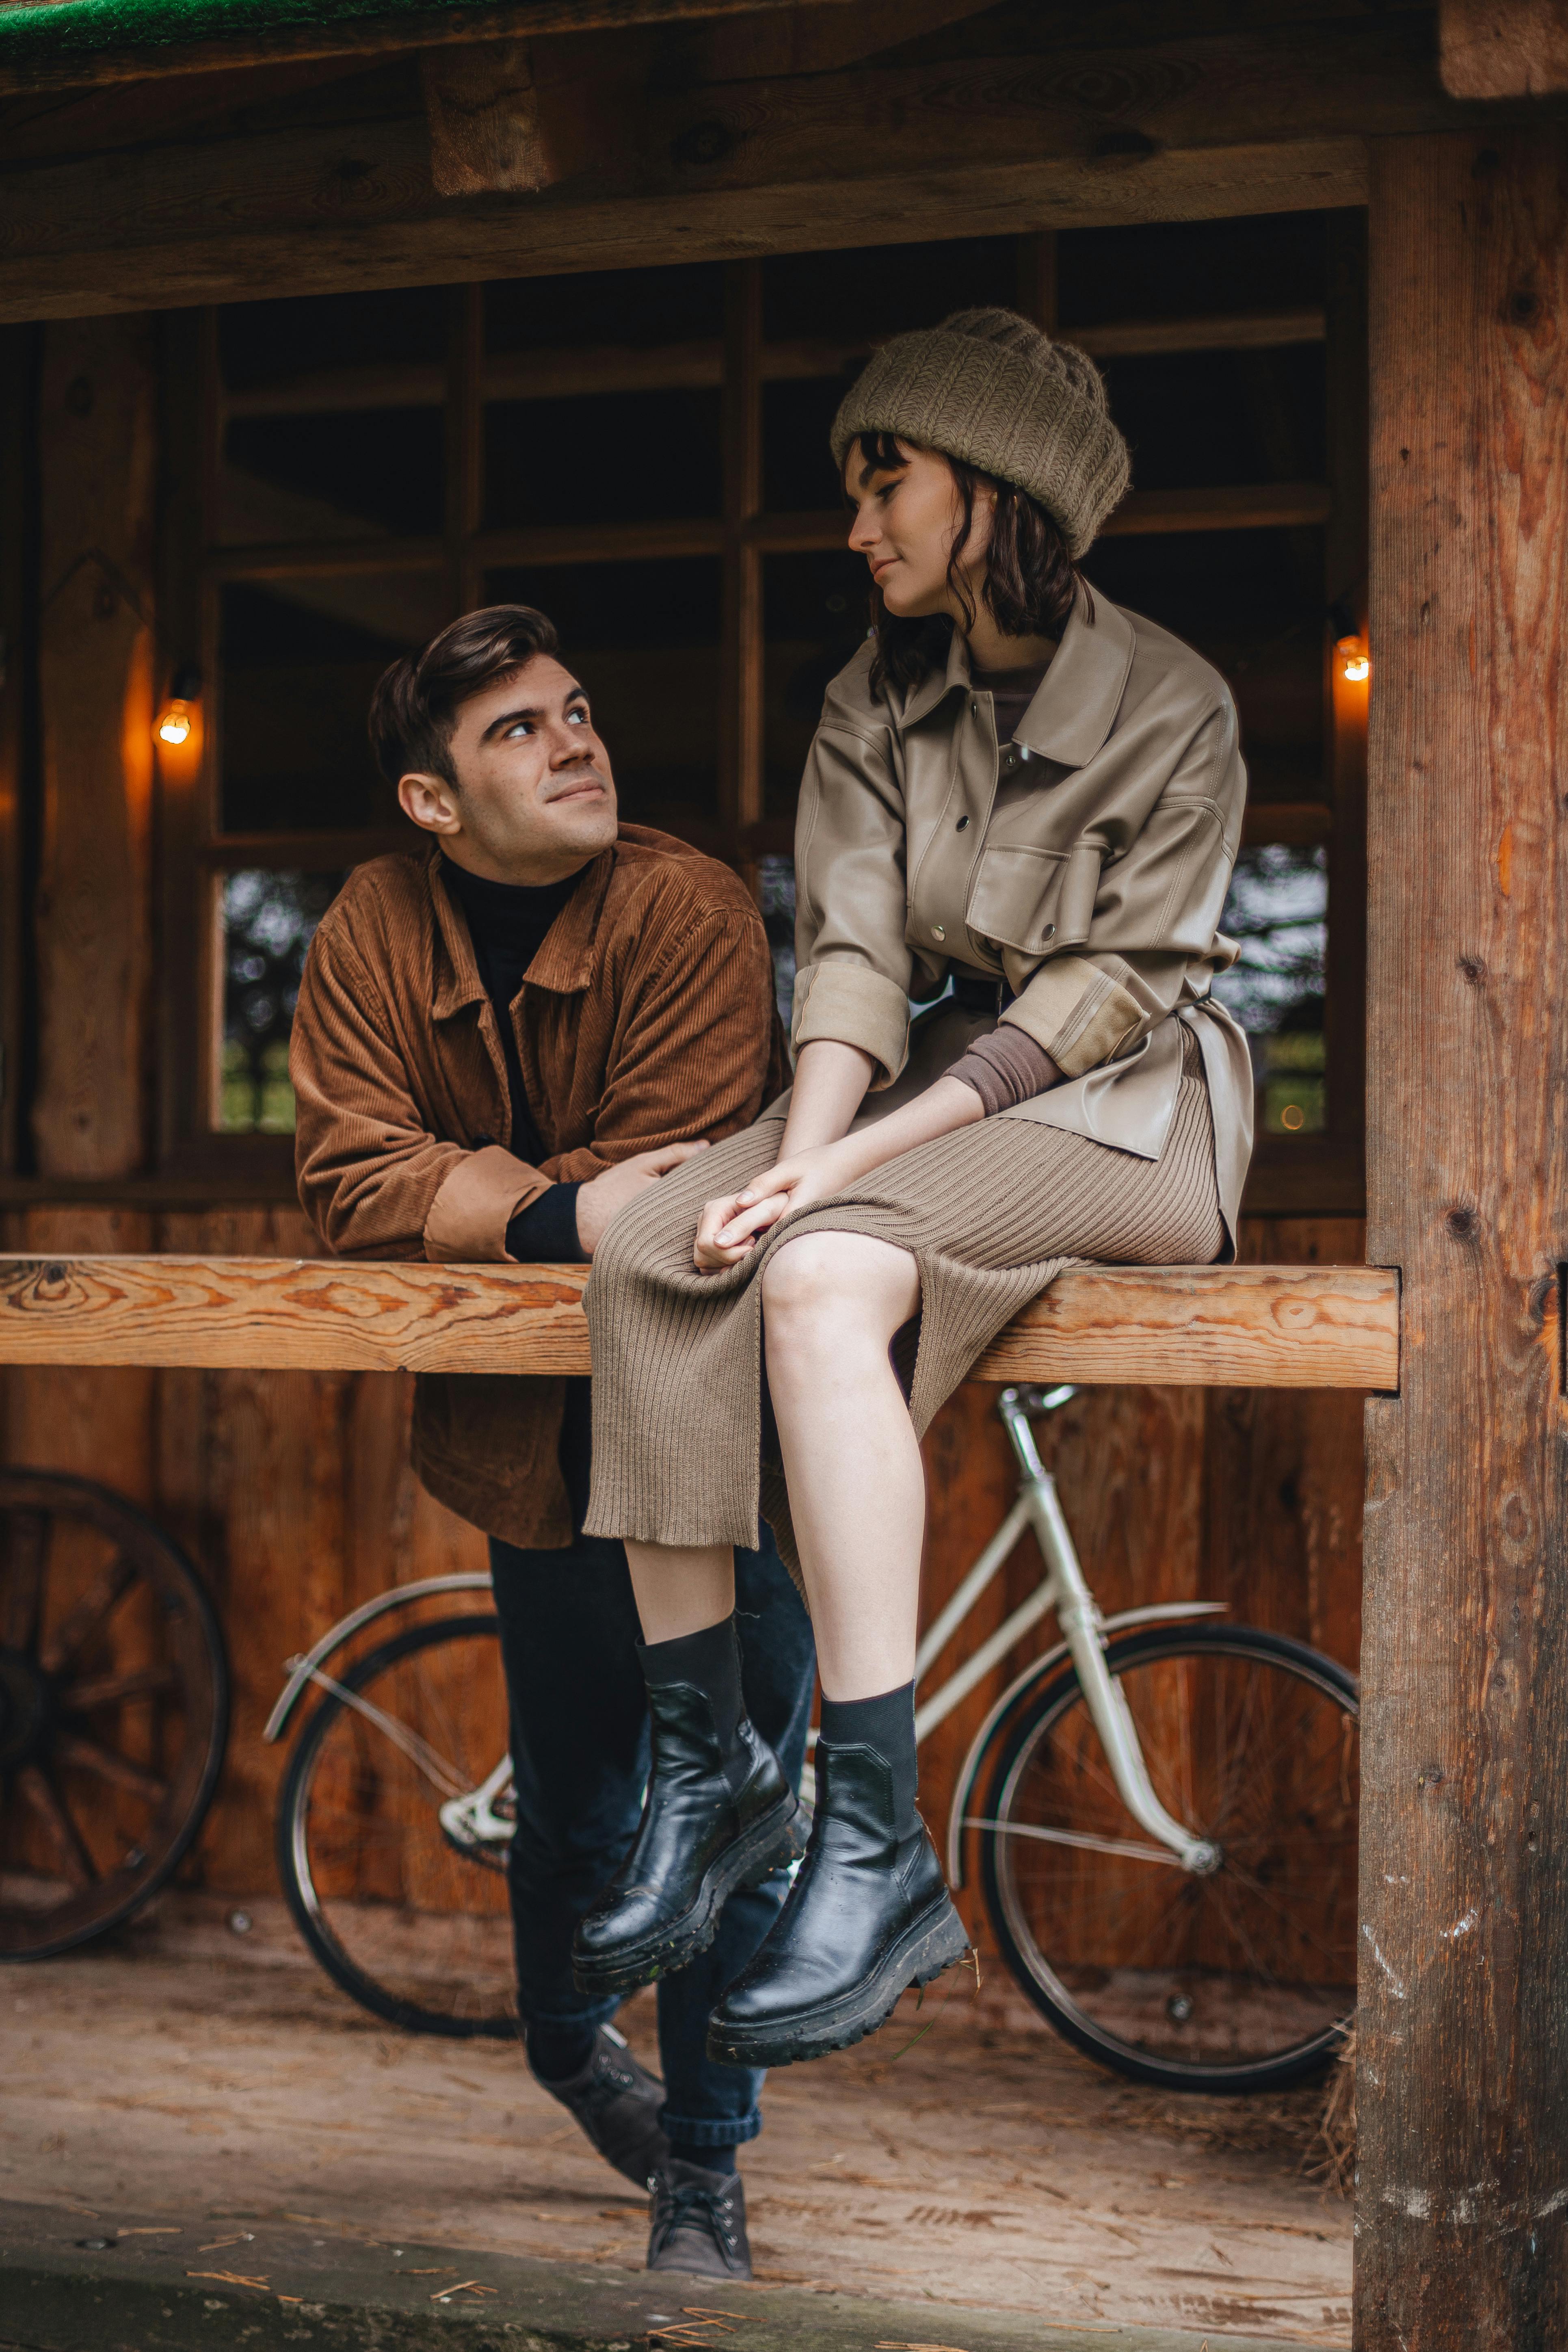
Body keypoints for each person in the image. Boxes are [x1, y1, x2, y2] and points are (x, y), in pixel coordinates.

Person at [575, 308, 1254, 2069]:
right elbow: (858, 965)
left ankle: (877, 1842)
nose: (859, 520)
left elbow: (1099, 1001)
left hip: (1128, 1111)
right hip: (930, 1092)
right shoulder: (875, 697)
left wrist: (832, 1183)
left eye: (887, 478)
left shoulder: (1175, 701)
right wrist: (798, 1150)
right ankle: (709, 1761)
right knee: (657, 1246)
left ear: (997, 484)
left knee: (815, 1273)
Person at [289, 604, 816, 2279]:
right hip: (527, 1448)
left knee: (719, 1800)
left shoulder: (691, 903)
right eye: (520, 727)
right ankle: (569, 2043)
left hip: (720, 1446)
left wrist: (509, 1198)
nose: (576, 739)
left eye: (577, 709)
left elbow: (689, 1181)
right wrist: (565, 1203)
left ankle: (707, 2171)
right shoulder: (374, 922)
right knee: (582, 1805)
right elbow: (344, 1177)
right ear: (433, 799)